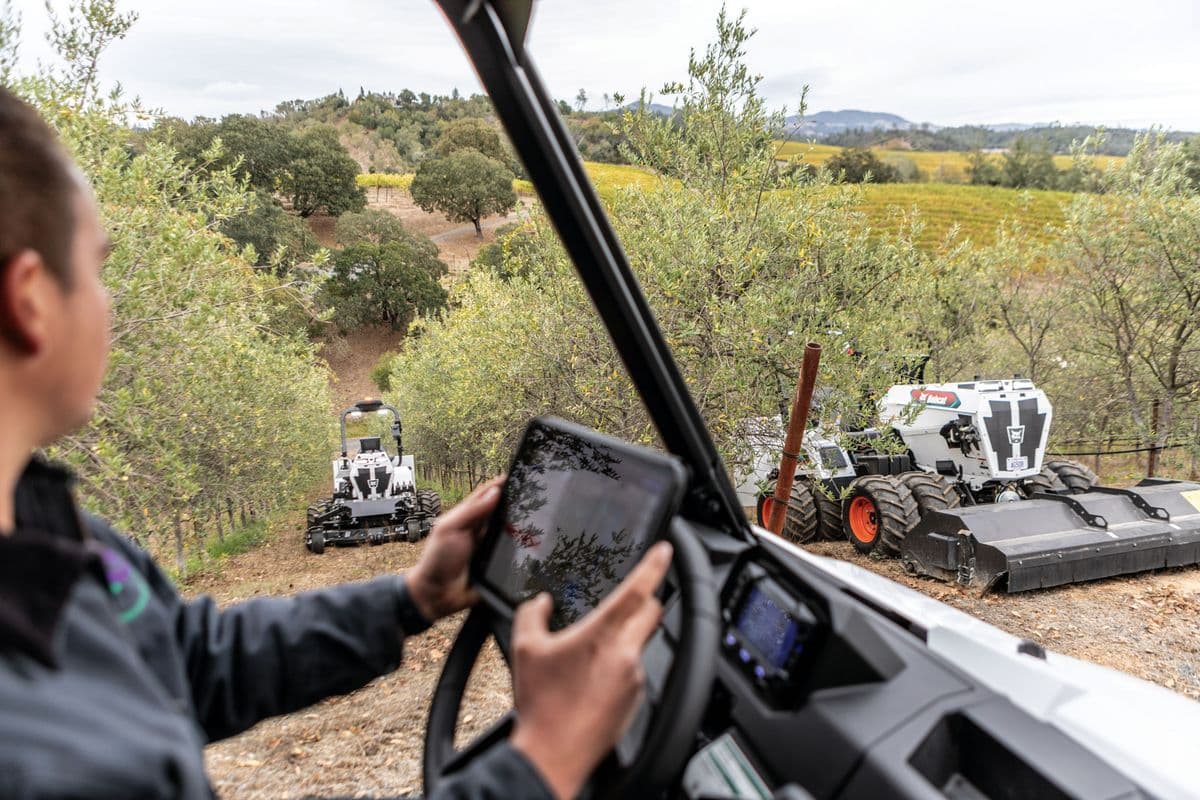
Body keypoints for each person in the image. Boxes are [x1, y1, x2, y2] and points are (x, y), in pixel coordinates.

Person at [0, 84, 671, 800]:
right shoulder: (37, 751)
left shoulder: (57, 535)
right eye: (98, 271)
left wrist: (410, 598)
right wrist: (541, 761)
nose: (109, 303)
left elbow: (193, 660)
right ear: (31, 300)